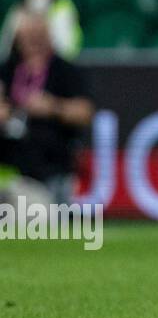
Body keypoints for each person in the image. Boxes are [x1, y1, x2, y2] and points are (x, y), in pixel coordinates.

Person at [0, 12, 94, 201]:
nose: (33, 42)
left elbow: (85, 112)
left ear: (49, 37)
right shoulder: (7, 70)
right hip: (10, 168)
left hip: (52, 169)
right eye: (28, 36)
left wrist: (54, 107)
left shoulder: (64, 70)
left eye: (39, 35)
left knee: (42, 216)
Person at [0, 0, 82, 60]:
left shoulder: (63, 8)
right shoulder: (18, 11)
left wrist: (43, 19)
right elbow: (4, 51)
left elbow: (65, 50)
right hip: (22, 70)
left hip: (56, 70)